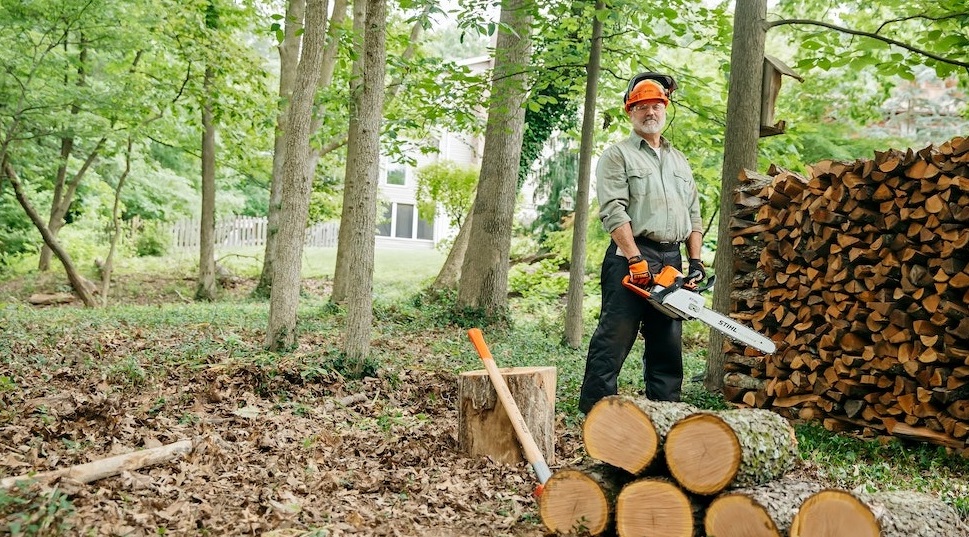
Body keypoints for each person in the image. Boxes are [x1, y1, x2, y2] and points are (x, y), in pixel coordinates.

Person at [578, 73, 705, 414]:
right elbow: (613, 211)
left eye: (656, 106)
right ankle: (596, 409)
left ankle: (666, 411)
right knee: (615, 335)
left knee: (667, 338)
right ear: (629, 112)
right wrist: (635, 259)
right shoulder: (617, 156)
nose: (650, 112)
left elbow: (693, 214)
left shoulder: (679, 160)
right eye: (642, 107)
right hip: (631, 253)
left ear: (665, 109)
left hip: (671, 256)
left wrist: (695, 262)